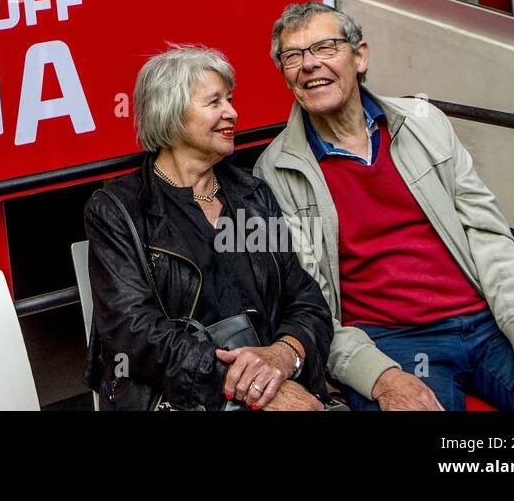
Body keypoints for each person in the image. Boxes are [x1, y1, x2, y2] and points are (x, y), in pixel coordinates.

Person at [255, 1, 514, 412]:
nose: (309, 64)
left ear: (360, 57)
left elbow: (488, 234)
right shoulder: (276, 170)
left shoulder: (423, 123)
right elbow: (311, 300)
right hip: (391, 342)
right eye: (293, 56)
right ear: (285, 76)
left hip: (486, 323)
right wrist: (380, 376)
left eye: (325, 47)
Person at [85, 45, 334, 411]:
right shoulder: (117, 210)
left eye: (230, 100)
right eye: (214, 102)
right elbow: (134, 330)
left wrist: (284, 356)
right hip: (177, 398)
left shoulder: (251, 195)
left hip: (264, 386)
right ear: (170, 112)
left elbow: (306, 301)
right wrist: (247, 387)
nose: (232, 113)